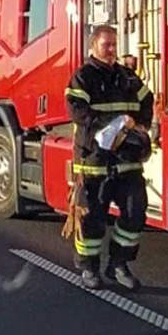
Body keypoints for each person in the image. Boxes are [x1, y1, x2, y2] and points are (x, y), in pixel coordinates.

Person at [64, 25, 154, 291]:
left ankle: (118, 265)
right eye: (107, 45)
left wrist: (140, 126)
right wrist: (111, 125)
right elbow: (77, 111)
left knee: (135, 212)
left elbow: (146, 100)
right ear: (94, 47)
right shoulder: (83, 76)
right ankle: (89, 268)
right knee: (92, 218)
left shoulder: (126, 77)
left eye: (115, 44)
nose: (113, 50)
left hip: (127, 162)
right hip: (94, 162)